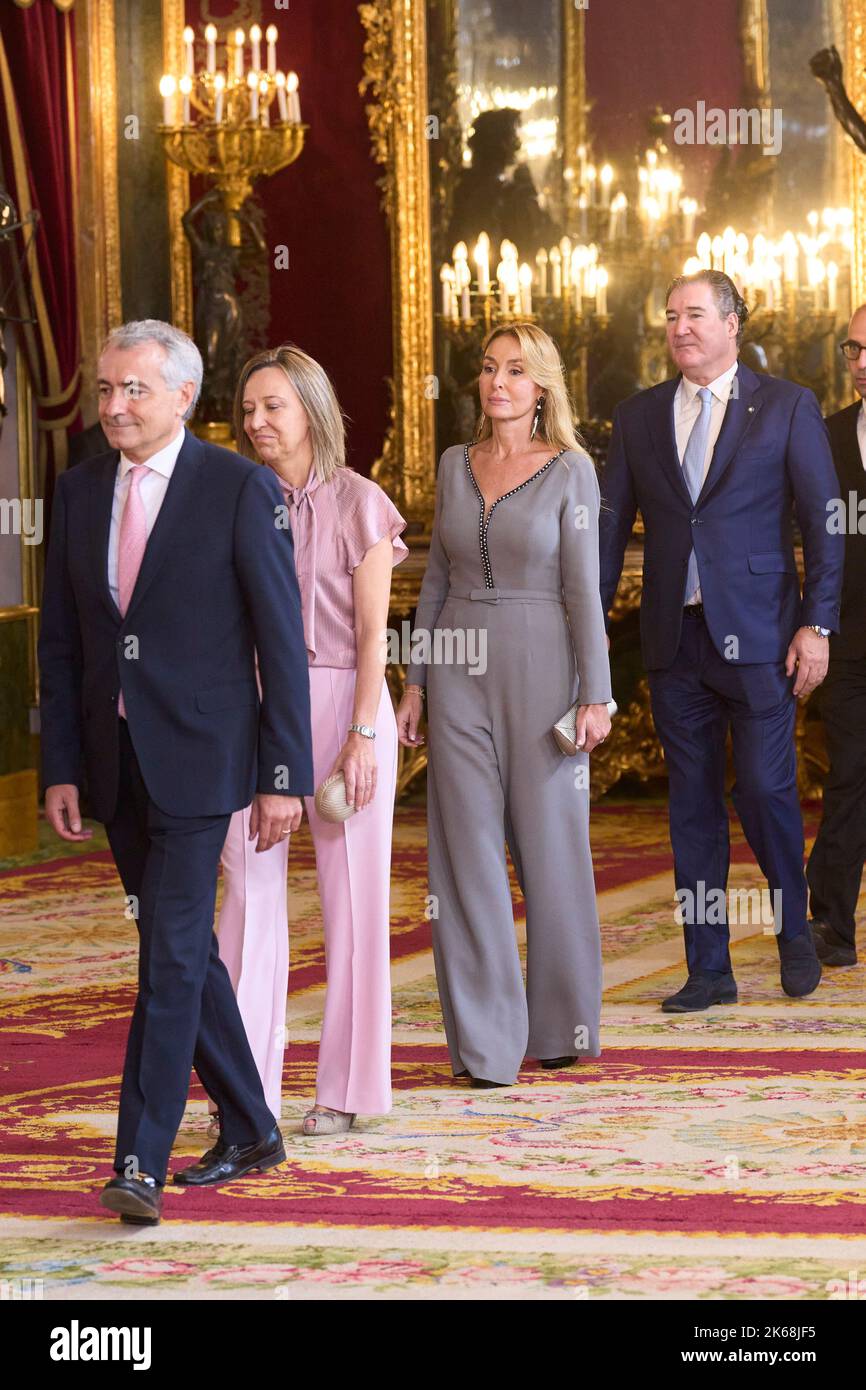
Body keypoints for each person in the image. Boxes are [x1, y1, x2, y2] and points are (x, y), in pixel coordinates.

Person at [38, 320, 313, 1225]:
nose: (114, 407)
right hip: (115, 769)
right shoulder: (76, 493)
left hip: (202, 765)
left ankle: (139, 1163)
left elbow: (283, 642)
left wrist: (284, 773)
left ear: (184, 397)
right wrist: (62, 766)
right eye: (107, 390)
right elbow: (65, 645)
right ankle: (250, 1122)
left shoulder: (239, 490)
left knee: (165, 958)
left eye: (134, 392)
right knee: (185, 953)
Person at [599, 270, 843, 1012]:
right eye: (671, 315)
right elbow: (607, 537)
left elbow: (824, 522)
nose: (680, 328)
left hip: (766, 636)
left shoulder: (788, 407)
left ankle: (793, 929)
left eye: (696, 314)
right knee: (692, 808)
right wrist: (586, 639)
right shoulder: (638, 417)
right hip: (676, 640)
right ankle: (708, 969)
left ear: (733, 322)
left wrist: (817, 623)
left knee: (768, 790)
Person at [396, 322, 612, 1087]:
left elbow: (582, 590)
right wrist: (415, 679)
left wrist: (598, 694)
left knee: (552, 847)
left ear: (542, 386)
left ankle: (560, 1025)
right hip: (457, 667)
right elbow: (432, 581)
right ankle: (486, 1048)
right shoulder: (456, 464)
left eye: (517, 371)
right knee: (464, 859)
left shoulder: (571, 471)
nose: (498, 383)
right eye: (489, 369)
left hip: (542, 663)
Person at [214, 344, 407, 1136]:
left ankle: (350, 1087)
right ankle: (243, 1089)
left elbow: (372, 638)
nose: (257, 421)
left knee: (353, 902)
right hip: (253, 708)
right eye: (249, 408)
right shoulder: (233, 500)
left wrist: (362, 734)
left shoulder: (361, 502)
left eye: (274, 406)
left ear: (310, 411)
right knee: (246, 895)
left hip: (344, 703)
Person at [806, 305, 866, 967]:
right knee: (851, 771)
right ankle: (833, 925)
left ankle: (823, 898)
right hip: (848, 641)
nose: (862, 362)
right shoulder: (826, 437)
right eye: (853, 349)